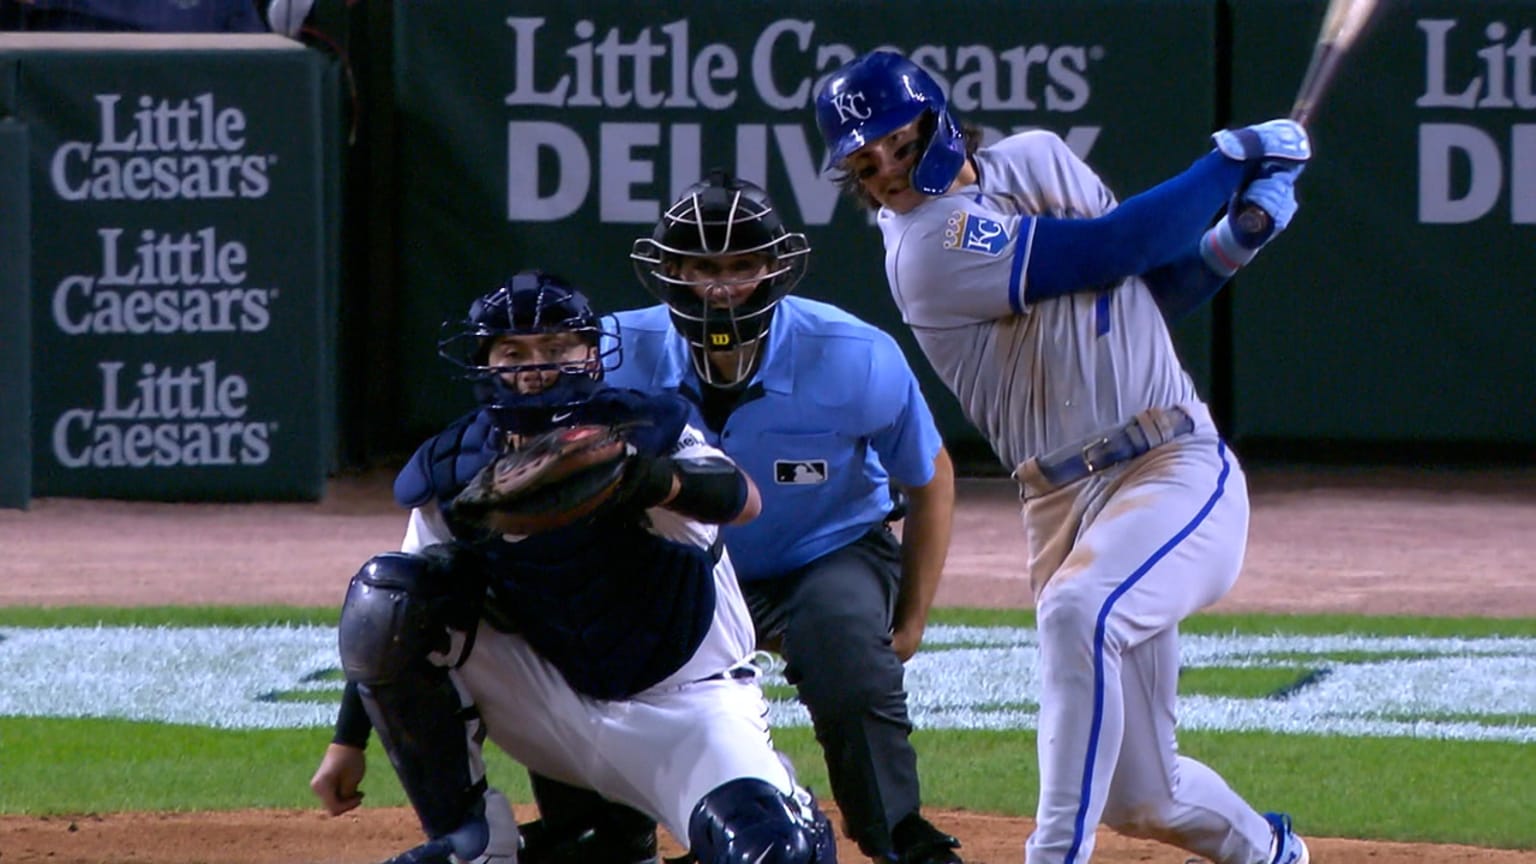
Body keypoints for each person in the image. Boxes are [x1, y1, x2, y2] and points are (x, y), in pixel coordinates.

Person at [812, 51, 1311, 864]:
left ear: (936, 118)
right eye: (868, 165)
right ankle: (1271, 852)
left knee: (1081, 611)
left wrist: (1233, 241)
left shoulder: (1039, 156)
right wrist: (1229, 162)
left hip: (1173, 465)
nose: (891, 172)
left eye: (899, 145)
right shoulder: (923, 247)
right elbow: (1112, 247)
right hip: (1062, 507)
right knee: (1146, 795)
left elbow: (1135, 290)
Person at [308, 270, 839, 864]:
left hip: (686, 708)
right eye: (513, 351)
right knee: (391, 593)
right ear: (484, 362)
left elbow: (741, 498)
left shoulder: (644, 430)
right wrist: (347, 742)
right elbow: (393, 620)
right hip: (550, 700)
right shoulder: (458, 464)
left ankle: (621, 835)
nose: (536, 366)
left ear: (591, 355)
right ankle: (474, 838)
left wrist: (649, 479)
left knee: (777, 854)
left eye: (558, 348)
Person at [513, 171, 963, 864]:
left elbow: (929, 477)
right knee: (578, 650)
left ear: (773, 265)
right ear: (670, 270)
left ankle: (895, 831)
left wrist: (914, 613)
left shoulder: (855, 354)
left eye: (741, 265)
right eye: (701, 267)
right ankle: (607, 831)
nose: (720, 287)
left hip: (821, 552)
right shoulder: (605, 354)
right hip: (670, 565)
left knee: (846, 652)